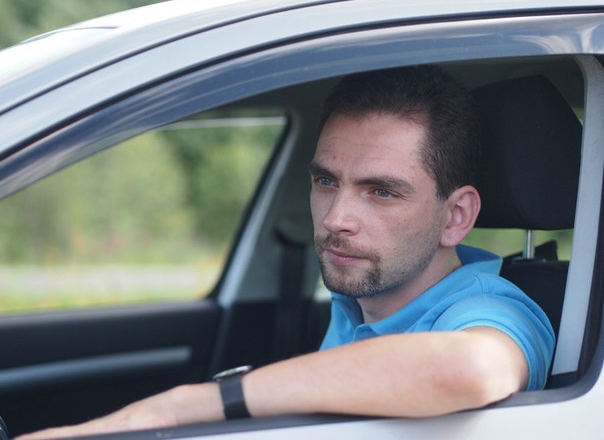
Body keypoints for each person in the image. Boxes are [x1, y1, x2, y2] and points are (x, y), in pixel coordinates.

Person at [18, 65, 554, 439]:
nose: (336, 218)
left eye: (381, 191)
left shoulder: (493, 308)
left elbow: (470, 368)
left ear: (455, 216)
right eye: (326, 181)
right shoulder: (362, 298)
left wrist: (189, 405)